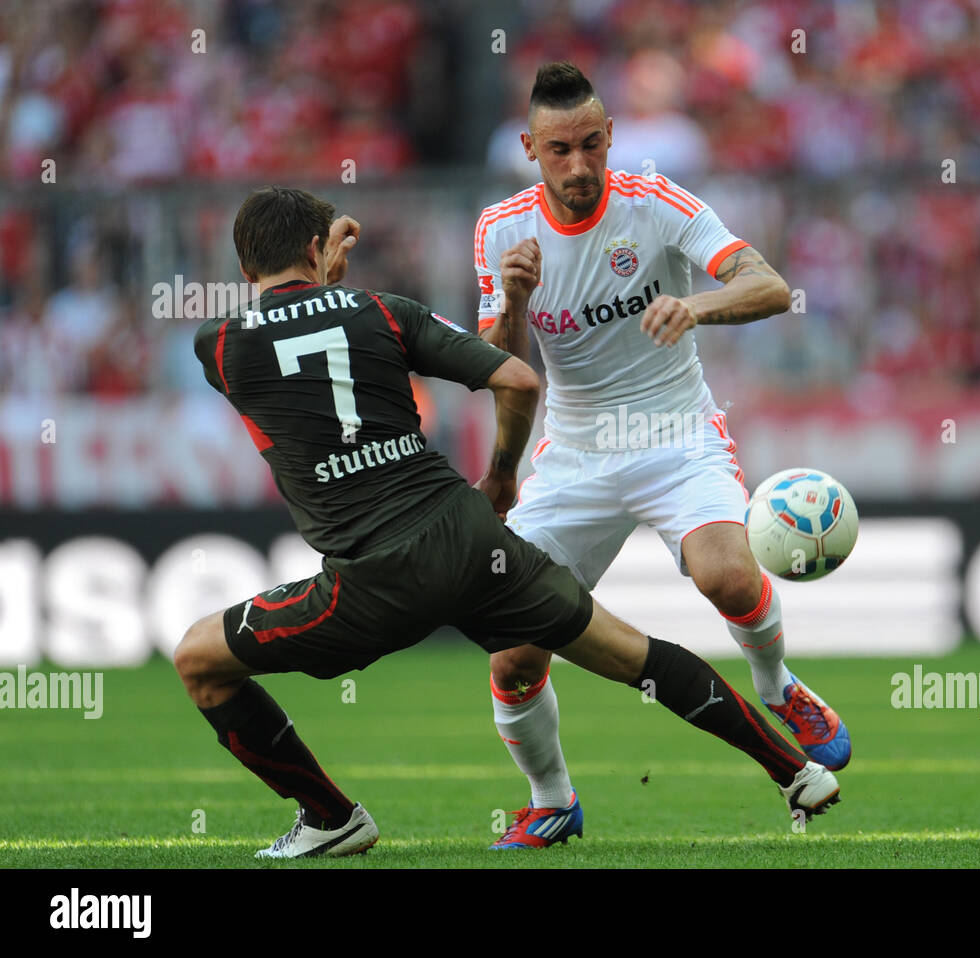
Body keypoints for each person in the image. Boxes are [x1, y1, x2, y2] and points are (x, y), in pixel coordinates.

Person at [172, 186, 841, 859]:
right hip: (471, 538)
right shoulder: (384, 311)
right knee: (631, 654)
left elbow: (295, 338)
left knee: (200, 658)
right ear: (319, 249)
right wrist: (500, 472)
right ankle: (798, 774)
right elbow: (517, 379)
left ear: (243, 269)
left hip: (371, 581)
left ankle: (330, 816)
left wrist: (324, 283)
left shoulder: (218, 344)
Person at [474, 61, 851, 849]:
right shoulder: (502, 229)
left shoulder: (656, 203)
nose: (577, 167)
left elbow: (771, 285)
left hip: (675, 433)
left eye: (589, 146)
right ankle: (552, 800)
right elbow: (499, 366)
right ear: (529, 149)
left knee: (727, 573)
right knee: (511, 654)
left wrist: (697, 304)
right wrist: (510, 301)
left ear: (610, 137)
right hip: (575, 452)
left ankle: (778, 686)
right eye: (558, 151)